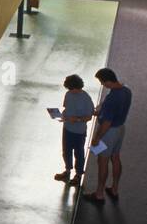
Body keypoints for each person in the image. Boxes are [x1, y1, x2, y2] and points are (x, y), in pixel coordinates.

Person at [85, 67, 132, 205]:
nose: (102, 84)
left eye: (102, 81)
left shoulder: (112, 98)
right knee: (115, 158)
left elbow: (106, 123)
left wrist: (97, 138)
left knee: (102, 161)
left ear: (108, 81)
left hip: (109, 132)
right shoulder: (126, 90)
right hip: (120, 129)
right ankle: (114, 189)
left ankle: (99, 194)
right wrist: (101, 109)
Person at [54, 74, 94, 186]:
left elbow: (89, 117)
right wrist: (62, 116)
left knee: (79, 153)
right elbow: (66, 108)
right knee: (66, 151)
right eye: (69, 89)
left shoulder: (86, 98)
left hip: (79, 132)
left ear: (78, 87)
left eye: (72, 89)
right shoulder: (68, 94)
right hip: (67, 129)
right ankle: (67, 170)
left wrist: (76, 119)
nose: (71, 91)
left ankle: (78, 174)